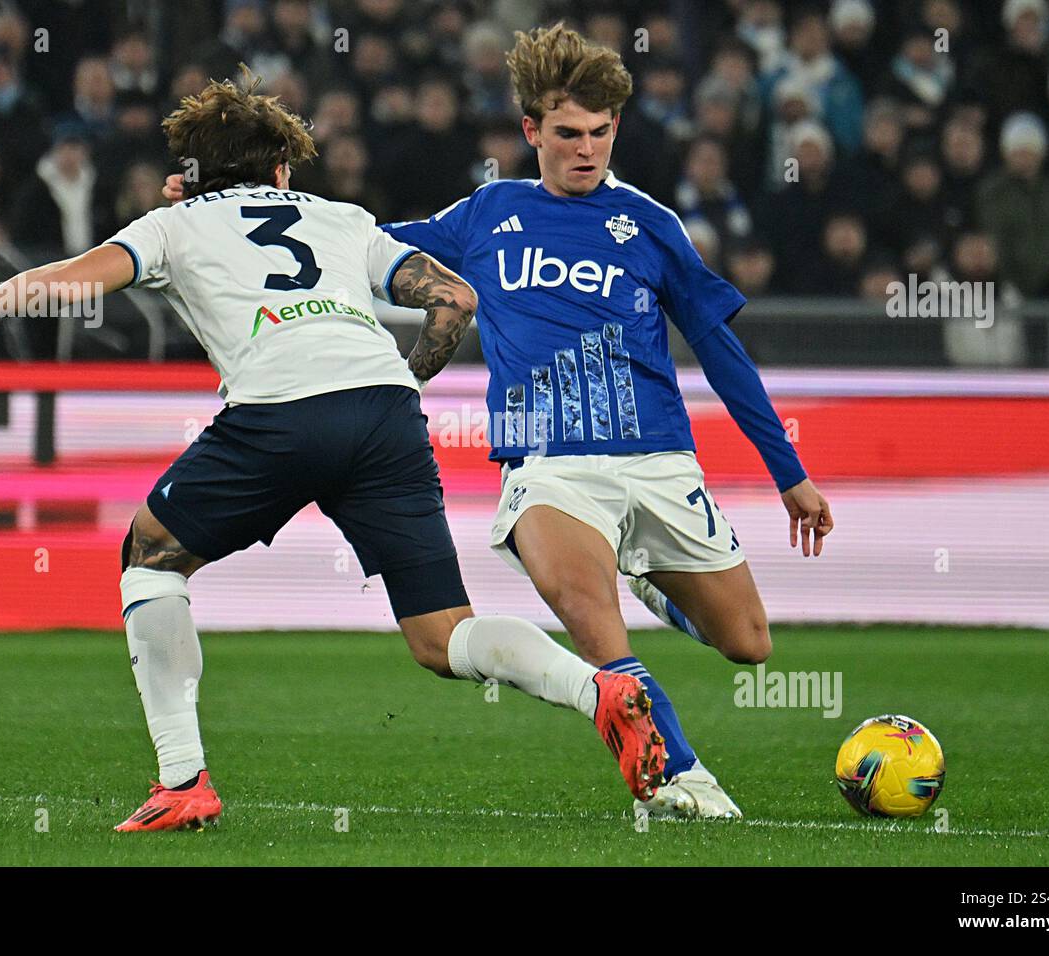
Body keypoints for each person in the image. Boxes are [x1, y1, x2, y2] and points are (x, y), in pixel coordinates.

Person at [0, 73, 668, 832]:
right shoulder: (342, 217)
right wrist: (404, 379)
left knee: (150, 558)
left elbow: (80, 280)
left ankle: (183, 780)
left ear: (193, 174)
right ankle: (597, 691)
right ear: (282, 169)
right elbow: (455, 297)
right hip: (384, 414)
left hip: (278, 412)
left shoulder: (174, 222)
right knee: (444, 634)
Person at [169, 25, 834, 820]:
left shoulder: (651, 224)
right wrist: (219, 209)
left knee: (748, 643)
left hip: (658, 459)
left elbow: (721, 351)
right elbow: (348, 247)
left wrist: (788, 473)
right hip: (549, 467)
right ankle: (682, 778)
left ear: (615, 129)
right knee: (596, 633)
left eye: (599, 133)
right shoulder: (489, 214)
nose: (585, 150)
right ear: (531, 132)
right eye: (567, 134)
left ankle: (647, 578)